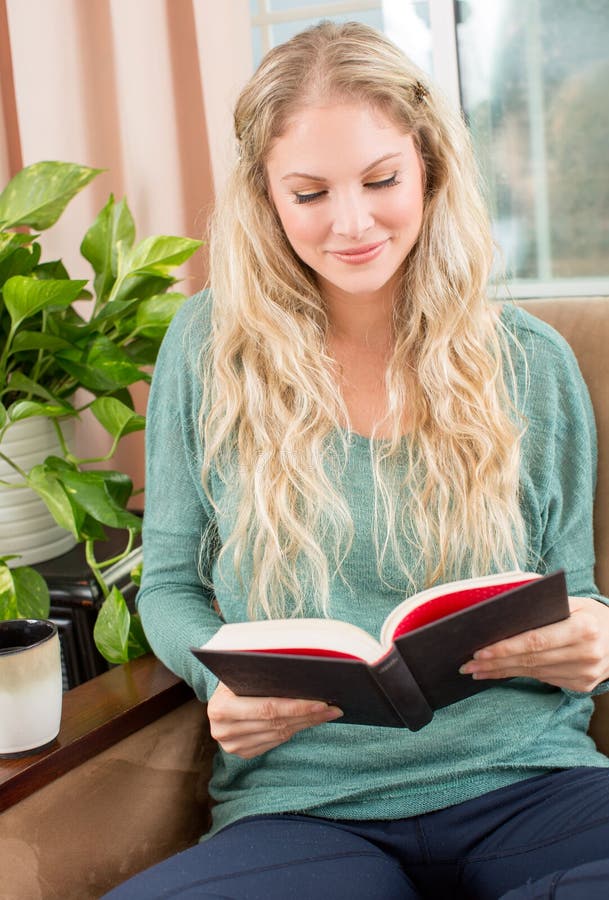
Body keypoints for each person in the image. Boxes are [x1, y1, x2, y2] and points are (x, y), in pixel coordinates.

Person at [104, 21, 609, 900]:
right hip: (306, 805)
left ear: (429, 169)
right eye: (308, 194)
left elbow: (574, 586)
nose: (351, 223)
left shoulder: (528, 360)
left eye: (381, 180)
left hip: (531, 782)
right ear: (264, 197)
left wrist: (592, 639)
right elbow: (173, 586)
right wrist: (215, 679)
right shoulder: (209, 345)